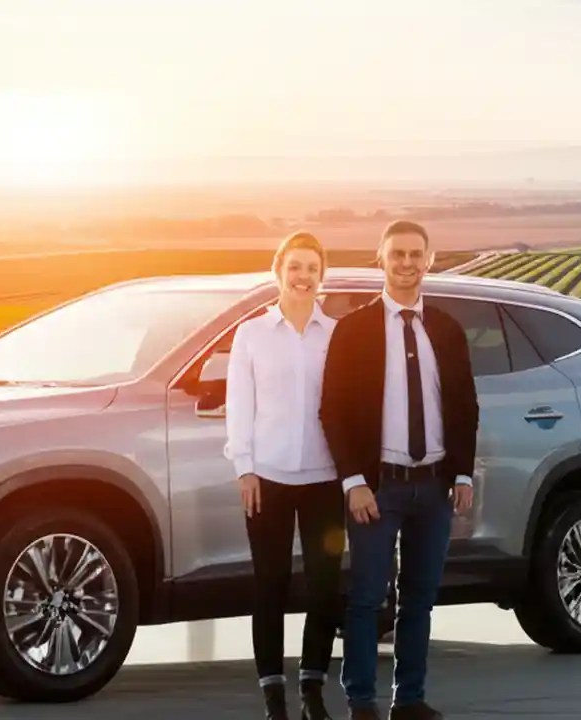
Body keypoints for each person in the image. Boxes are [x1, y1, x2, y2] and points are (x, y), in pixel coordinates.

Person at [319, 220, 479, 720]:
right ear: (381, 260)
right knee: (367, 599)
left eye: (415, 255)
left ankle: (409, 699)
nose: (406, 263)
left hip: (433, 487)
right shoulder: (354, 330)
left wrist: (462, 474)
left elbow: (464, 406)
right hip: (377, 488)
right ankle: (361, 702)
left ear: (429, 260)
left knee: (420, 601)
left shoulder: (447, 330)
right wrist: (353, 481)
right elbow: (333, 410)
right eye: (397, 255)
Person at [225, 231, 346, 720]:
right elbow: (239, 406)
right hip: (267, 480)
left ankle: (312, 687)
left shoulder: (336, 335)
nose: (303, 277)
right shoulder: (251, 336)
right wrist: (244, 468)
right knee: (270, 584)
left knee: (324, 586)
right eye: (294, 267)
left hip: (324, 481)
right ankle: (273, 693)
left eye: (312, 269)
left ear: (322, 277)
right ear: (278, 271)